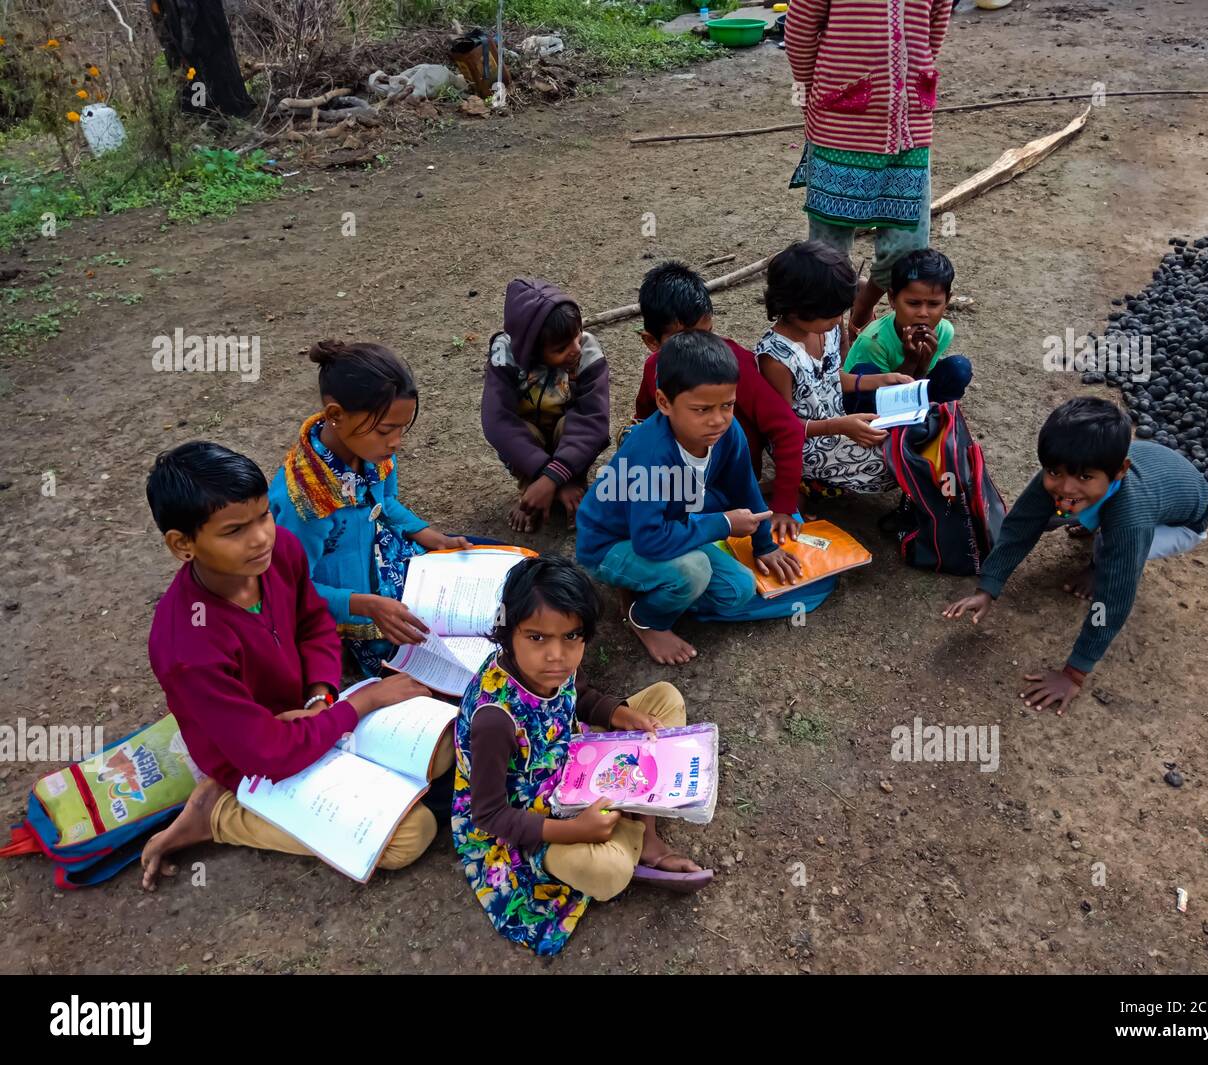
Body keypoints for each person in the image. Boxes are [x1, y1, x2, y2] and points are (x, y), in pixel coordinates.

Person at [141, 441, 437, 890]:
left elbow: (314, 623)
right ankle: (217, 814)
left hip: (311, 717)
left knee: (446, 741)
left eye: (263, 516)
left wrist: (320, 696)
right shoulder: (187, 643)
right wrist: (360, 704)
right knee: (412, 836)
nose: (261, 536)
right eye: (234, 530)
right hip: (256, 761)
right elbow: (268, 753)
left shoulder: (281, 554)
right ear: (183, 545)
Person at [451, 554, 712, 956]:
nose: (557, 654)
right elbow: (489, 816)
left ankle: (644, 836)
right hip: (526, 817)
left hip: (572, 759)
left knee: (665, 700)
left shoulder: (555, 664)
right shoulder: (494, 718)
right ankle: (631, 836)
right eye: (536, 637)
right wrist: (575, 832)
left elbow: (581, 697)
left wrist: (619, 714)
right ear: (507, 633)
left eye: (571, 637)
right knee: (607, 873)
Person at [943, 398, 1208, 714]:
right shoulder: (1064, 479)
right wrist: (988, 586)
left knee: (1108, 547)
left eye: (1084, 477)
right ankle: (1091, 520)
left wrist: (1074, 674)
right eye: (1054, 471)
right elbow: (1019, 527)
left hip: (1182, 524)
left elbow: (1113, 600)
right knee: (1047, 512)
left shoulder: (1130, 522)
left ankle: (1095, 556)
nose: (1066, 487)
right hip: (1142, 488)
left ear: (1120, 472)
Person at [578, 331, 804, 665]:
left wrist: (764, 543)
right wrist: (723, 524)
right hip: (610, 543)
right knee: (693, 571)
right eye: (702, 409)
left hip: (668, 526)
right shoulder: (649, 456)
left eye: (727, 405)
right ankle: (645, 618)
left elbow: (746, 489)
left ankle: (650, 585)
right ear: (664, 402)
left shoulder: (728, 433)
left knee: (739, 589)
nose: (718, 419)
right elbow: (649, 541)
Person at [269, 340, 470, 677]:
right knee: (429, 666)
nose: (396, 443)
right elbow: (291, 587)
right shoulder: (305, 502)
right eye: (385, 431)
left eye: (401, 429)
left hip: (389, 568)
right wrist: (363, 605)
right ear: (335, 416)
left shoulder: (373, 453)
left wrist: (430, 535)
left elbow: (385, 503)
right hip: (350, 614)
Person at [785, 0, 954, 339]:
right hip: (840, 125)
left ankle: (861, 307)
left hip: (909, 131)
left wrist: (911, 76)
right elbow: (800, 30)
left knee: (908, 249)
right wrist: (814, 89)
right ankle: (830, 338)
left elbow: (934, 29)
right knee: (829, 253)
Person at [632, 260, 806, 544]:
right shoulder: (655, 369)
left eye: (707, 333)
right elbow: (642, 421)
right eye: (683, 340)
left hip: (729, 489)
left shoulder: (732, 364)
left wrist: (784, 507)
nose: (699, 349)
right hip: (682, 485)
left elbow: (788, 430)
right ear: (652, 342)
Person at [755, 240, 895, 497]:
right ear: (796, 309)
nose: (837, 320)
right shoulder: (776, 357)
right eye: (830, 314)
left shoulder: (826, 329)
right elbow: (781, 428)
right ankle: (807, 483)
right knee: (890, 468)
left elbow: (829, 379)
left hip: (839, 424)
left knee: (903, 443)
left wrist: (879, 381)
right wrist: (839, 427)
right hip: (806, 445)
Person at [481, 278, 611, 533]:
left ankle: (574, 483)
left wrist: (558, 476)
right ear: (532, 349)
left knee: (571, 423)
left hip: (572, 441)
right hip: (528, 446)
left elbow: (593, 420)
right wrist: (545, 476)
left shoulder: (588, 350)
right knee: (520, 430)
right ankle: (531, 489)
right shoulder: (506, 356)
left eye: (577, 335)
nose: (575, 349)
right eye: (561, 348)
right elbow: (498, 422)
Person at [842, 248, 972, 413]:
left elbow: (920, 380)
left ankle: (935, 419)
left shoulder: (943, 331)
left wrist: (924, 362)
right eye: (913, 303)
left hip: (911, 388)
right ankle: (878, 434)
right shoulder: (874, 341)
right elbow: (890, 396)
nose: (923, 313)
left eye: (933, 304)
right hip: (872, 401)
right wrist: (910, 361)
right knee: (865, 372)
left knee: (958, 368)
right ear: (892, 299)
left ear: (947, 301)